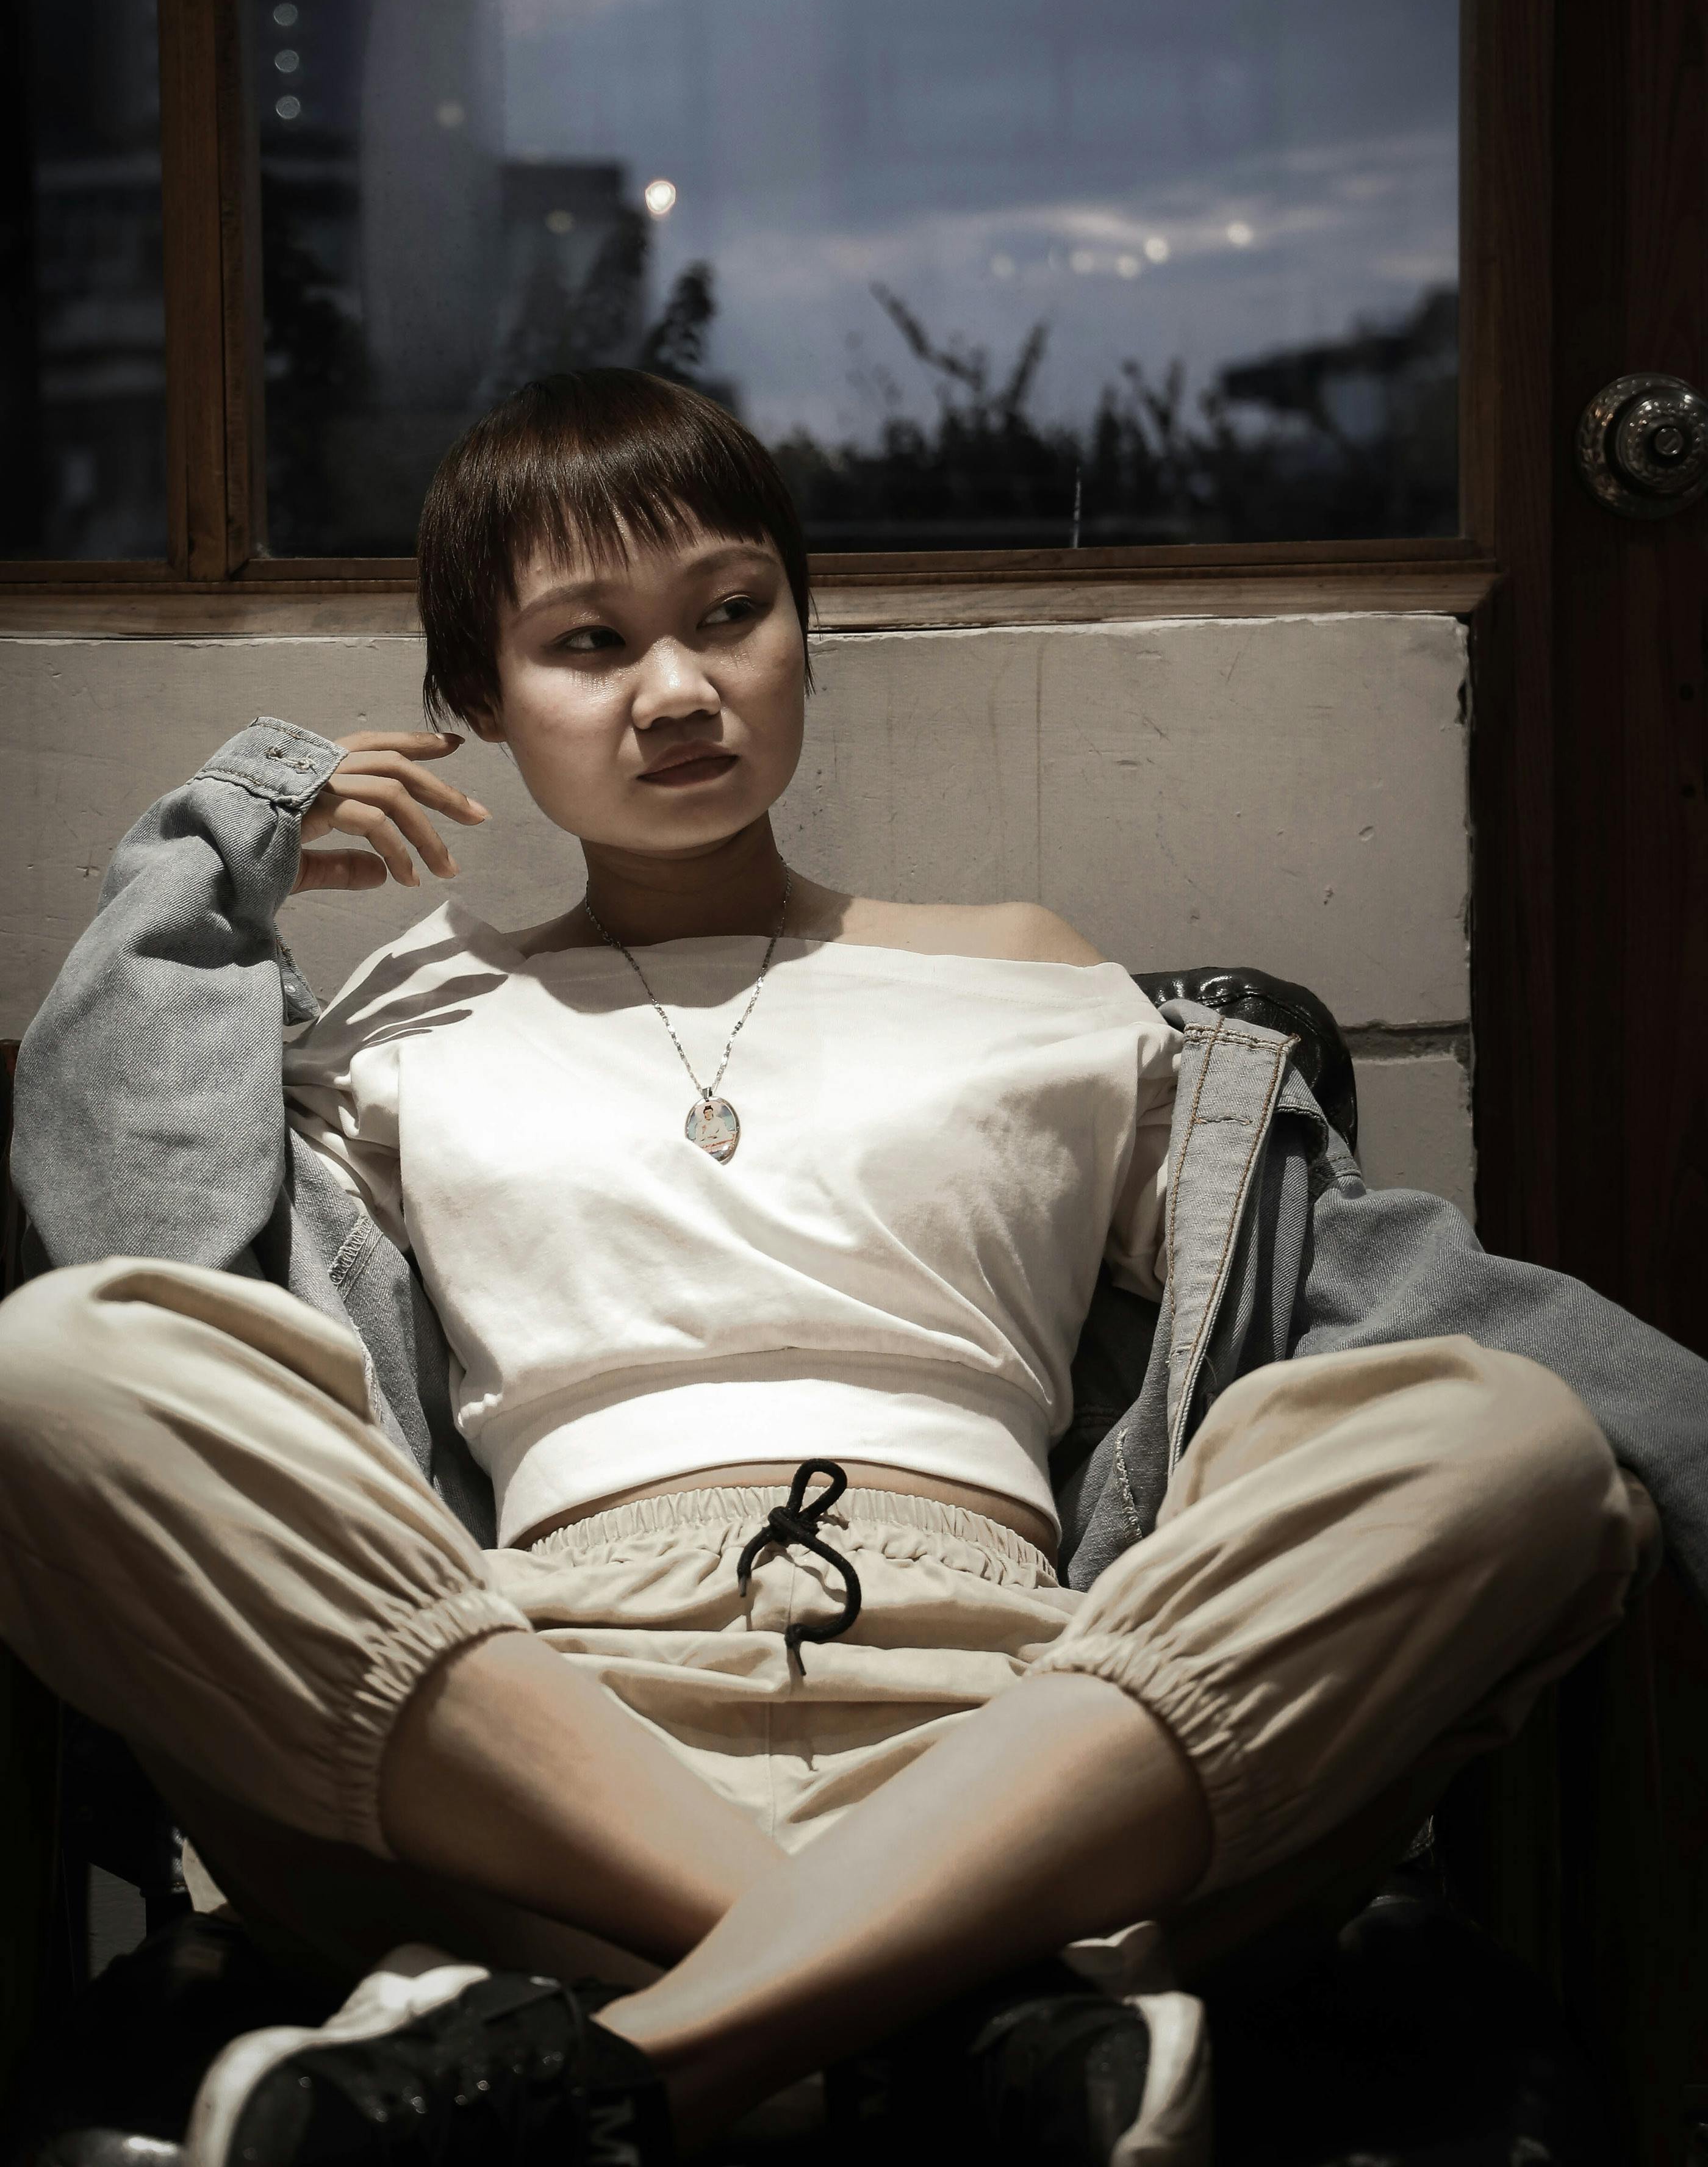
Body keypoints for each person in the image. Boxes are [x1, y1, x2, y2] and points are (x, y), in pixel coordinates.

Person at [1, 369, 1701, 2167]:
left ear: (803, 627)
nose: (680, 691)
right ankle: (962, 2016)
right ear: (477, 700)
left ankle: (620, 2061)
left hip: (1050, 1747)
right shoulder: (416, 1012)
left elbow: (1384, 1287)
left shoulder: (1023, 976)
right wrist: (218, 853)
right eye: (588, 644)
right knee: (48, 1369)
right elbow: (143, 1246)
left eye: (732, 613)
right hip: (523, 1747)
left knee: (1510, 1444)